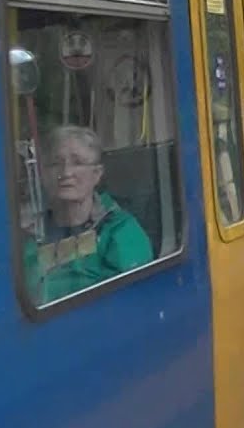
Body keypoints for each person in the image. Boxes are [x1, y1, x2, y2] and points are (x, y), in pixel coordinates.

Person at [22, 125, 153, 306]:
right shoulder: (29, 234)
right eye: (55, 163)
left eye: (78, 162)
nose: (66, 173)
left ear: (97, 174)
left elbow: (133, 302)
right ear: (43, 174)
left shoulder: (122, 232)